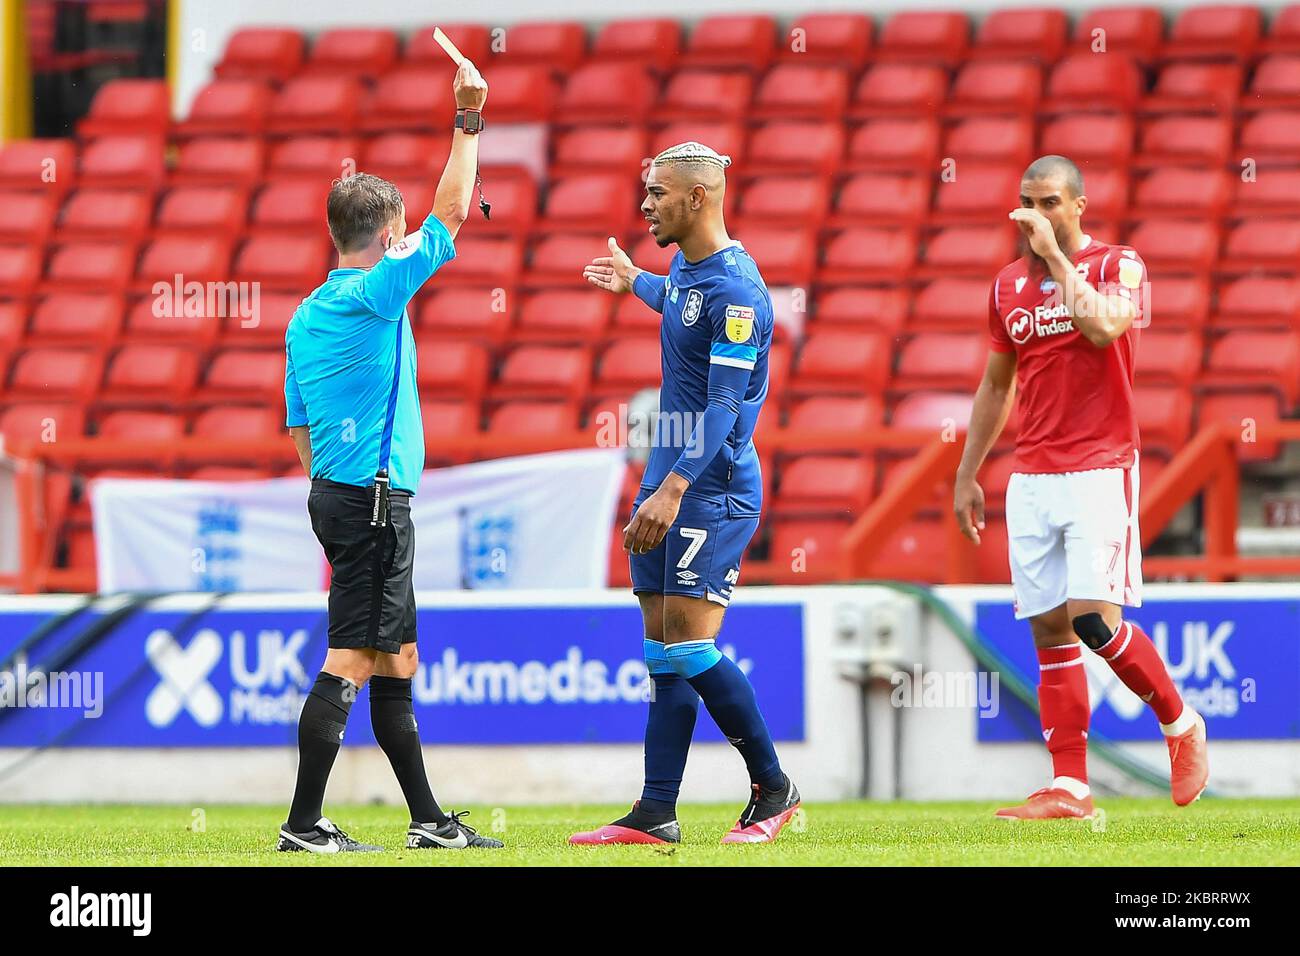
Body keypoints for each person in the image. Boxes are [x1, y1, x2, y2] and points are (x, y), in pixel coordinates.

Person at [277, 59, 501, 852]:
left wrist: (334, 487)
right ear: (384, 237)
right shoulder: (376, 294)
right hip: (375, 500)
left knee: (397, 651)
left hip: (342, 494)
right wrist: (468, 118)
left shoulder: (305, 316)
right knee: (353, 654)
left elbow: (298, 426)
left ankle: (428, 822)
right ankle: (304, 824)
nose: (411, 242)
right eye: (401, 233)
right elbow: (453, 216)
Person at [954, 154, 1210, 820]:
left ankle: (1181, 725)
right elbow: (995, 383)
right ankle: (1070, 785)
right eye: (1024, 202)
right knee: (1048, 630)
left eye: (1046, 203)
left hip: (1100, 466)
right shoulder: (1006, 285)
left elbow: (1102, 326)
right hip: (1033, 473)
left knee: (1094, 619)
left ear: (1078, 206)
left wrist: (1056, 261)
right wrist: (968, 472)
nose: (1030, 215)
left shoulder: (1118, 265)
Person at [570, 142, 800, 846]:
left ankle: (775, 788)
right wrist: (636, 279)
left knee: (693, 649)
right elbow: (678, 299)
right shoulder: (687, 270)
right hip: (667, 478)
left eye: (657, 193)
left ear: (698, 198)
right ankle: (657, 811)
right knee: (661, 653)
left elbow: (725, 408)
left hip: (708, 487)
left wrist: (672, 489)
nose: (645, 205)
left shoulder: (738, 293)